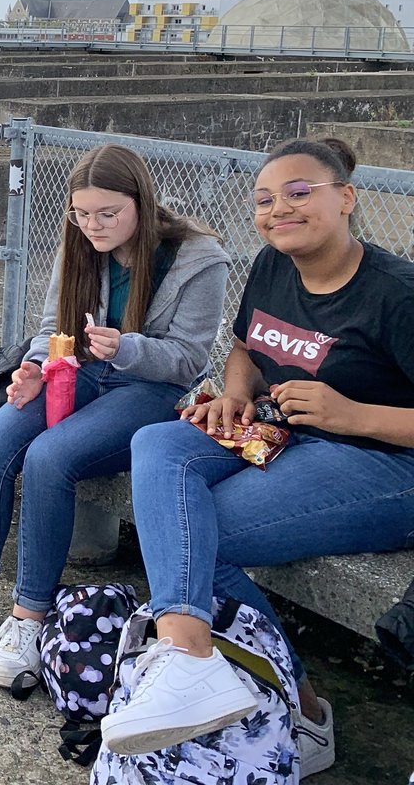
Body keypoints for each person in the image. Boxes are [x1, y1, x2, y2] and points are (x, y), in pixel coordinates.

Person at [102, 138, 414, 772]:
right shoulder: (274, 265)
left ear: (348, 198)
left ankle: (298, 706)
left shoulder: (396, 294)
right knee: (157, 441)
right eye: (265, 199)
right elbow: (246, 344)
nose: (280, 210)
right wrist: (236, 395)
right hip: (281, 432)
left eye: (301, 194)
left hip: (384, 463)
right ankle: (192, 657)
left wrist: (352, 415)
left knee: (197, 536)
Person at [0, 143, 231, 690]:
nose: (93, 225)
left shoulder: (198, 256)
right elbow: (51, 326)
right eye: (81, 213)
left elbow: (189, 358)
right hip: (79, 371)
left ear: (141, 202)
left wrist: (127, 347)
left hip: (152, 389)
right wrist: (36, 367)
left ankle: (31, 618)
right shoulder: (80, 244)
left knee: (50, 457)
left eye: (108, 213)